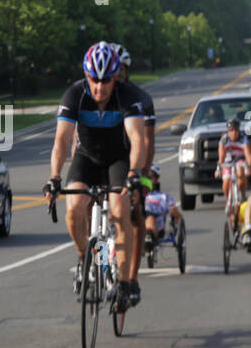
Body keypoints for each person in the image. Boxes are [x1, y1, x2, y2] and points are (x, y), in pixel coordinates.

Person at [45, 41, 148, 312]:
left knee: (118, 209)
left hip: (118, 159)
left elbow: (137, 139)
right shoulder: (75, 94)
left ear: (116, 76)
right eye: (94, 80)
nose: (100, 88)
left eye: (106, 81)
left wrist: (135, 173)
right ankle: (84, 257)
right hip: (87, 158)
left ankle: (124, 282)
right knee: (74, 208)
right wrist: (55, 177)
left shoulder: (126, 95)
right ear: (86, 76)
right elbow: (61, 140)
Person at [111, 43, 156, 306]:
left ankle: (133, 278)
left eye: (121, 70)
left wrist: (143, 177)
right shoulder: (97, 95)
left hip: (132, 160)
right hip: (105, 160)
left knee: (135, 213)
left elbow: (148, 143)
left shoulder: (140, 98)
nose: (115, 76)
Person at [215, 117, 251, 223]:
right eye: (231, 130)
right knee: (226, 181)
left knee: (241, 172)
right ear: (228, 131)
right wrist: (218, 169)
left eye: (236, 130)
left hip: (240, 160)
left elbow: (248, 154)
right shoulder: (223, 140)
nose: (234, 133)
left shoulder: (243, 139)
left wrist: (249, 166)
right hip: (228, 162)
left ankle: (243, 194)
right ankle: (228, 200)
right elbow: (221, 157)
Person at [141, 163, 181, 246]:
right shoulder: (137, 195)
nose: (147, 180)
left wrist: (173, 211)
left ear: (156, 178)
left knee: (150, 219)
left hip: (156, 225)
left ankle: (148, 236)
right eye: (145, 177)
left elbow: (177, 215)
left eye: (150, 177)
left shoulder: (164, 196)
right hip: (138, 221)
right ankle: (106, 255)